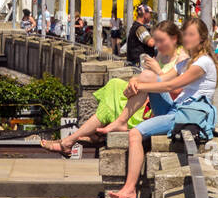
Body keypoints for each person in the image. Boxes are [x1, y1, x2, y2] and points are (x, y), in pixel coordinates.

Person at [108, 17, 218, 198]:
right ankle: (121, 121)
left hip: (187, 115)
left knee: (135, 134)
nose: (186, 38)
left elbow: (170, 86)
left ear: (202, 38)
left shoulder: (203, 63)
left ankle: (129, 189)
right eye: (185, 34)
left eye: (191, 34)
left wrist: (140, 87)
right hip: (177, 108)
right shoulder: (186, 63)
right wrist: (136, 82)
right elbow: (161, 78)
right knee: (146, 75)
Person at [41, 21, 187, 155]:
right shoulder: (161, 54)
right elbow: (144, 77)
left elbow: (177, 90)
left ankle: (73, 139)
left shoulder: (182, 57)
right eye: (156, 41)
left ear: (174, 38)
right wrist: (133, 82)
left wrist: (155, 72)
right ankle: (82, 137)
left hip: (160, 105)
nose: (157, 45)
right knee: (115, 85)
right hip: (146, 98)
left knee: (114, 99)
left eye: (161, 41)